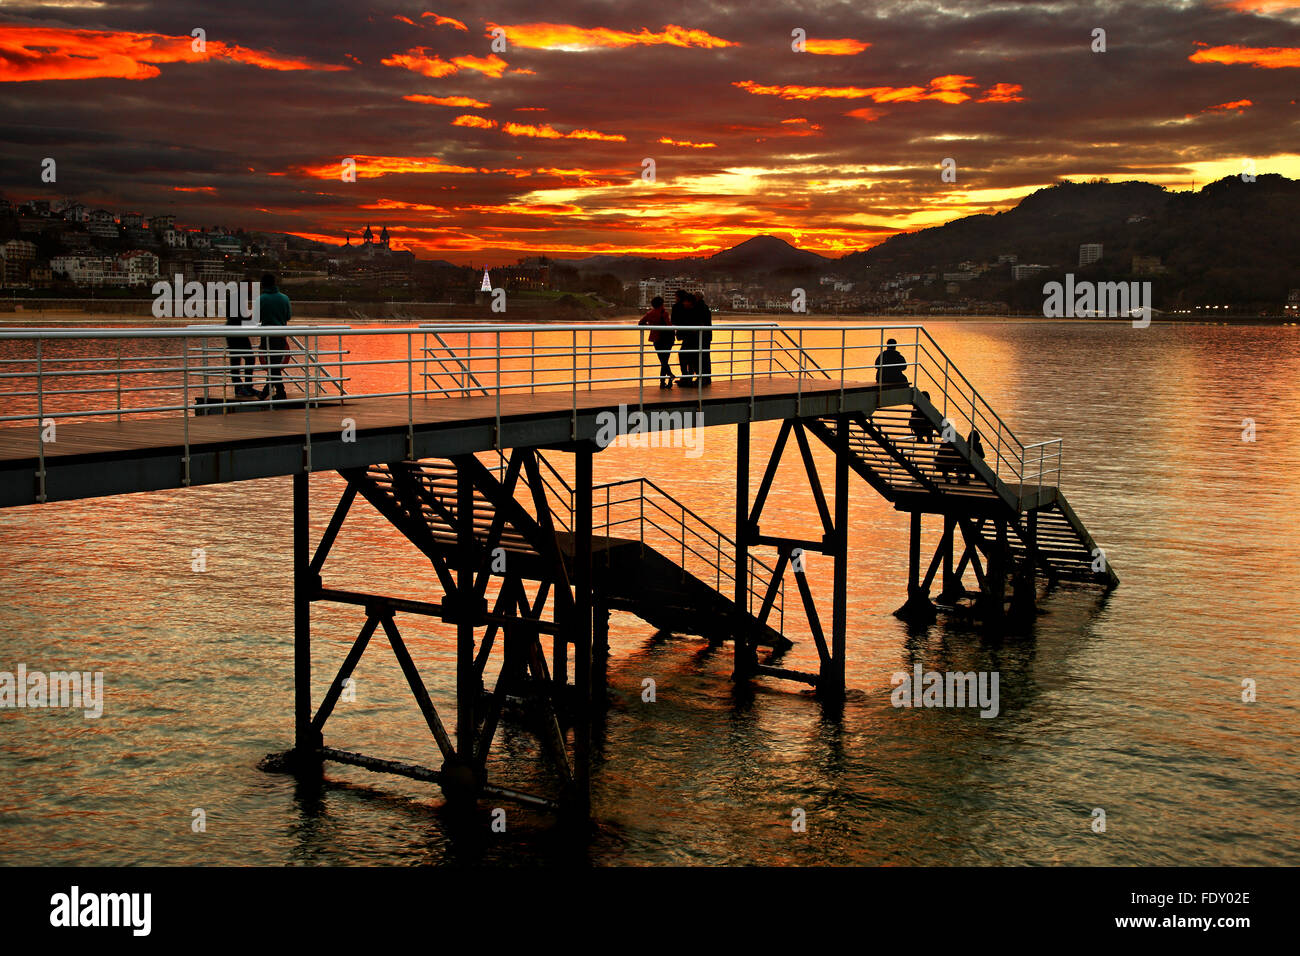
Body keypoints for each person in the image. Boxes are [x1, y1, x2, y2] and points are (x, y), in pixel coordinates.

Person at [257, 272, 292, 402]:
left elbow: (256, 318)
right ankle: (272, 391)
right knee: (275, 365)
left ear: (263, 284)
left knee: (272, 365)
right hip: (281, 335)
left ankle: (275, 392)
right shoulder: (284, 298)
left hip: (267, 336)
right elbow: (288, 316)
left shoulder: (261, 299)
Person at [225, 284, 257, 399]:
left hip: (233, 331)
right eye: (251, 287)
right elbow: (242, 317)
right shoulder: (238, 298)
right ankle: (244, 387)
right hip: (237, 332)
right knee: (248, 358)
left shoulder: (235, 297)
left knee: (236, 360)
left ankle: (241, 387)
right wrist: (251, 317)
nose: (252, 290)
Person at [639, 295, 676, 387]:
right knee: (664, 361)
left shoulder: (650, 314)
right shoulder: (664, 313)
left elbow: (641, 323)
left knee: (663, 361)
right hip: (667, 340)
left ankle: (663, 382)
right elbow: (669, 326)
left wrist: (651, 326)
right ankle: (669, 377)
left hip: (657, 339)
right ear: (662, 304)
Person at [672, 290, 698, 386]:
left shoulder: (682, 308)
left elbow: (674, 320)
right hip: (691, 335)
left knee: (683, 355)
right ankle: (688, 377)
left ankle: (686, 377)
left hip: (688, 335)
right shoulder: (693, 310)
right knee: (689, 357)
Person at [692, 292, 713, 386]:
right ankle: (707, 378)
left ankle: (701, 378)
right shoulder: (705, 307)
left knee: (699, 357)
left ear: (697, 298)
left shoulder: (697, 307)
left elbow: (698, 320)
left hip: (701, 335)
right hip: (707, 335)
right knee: (706, 357)